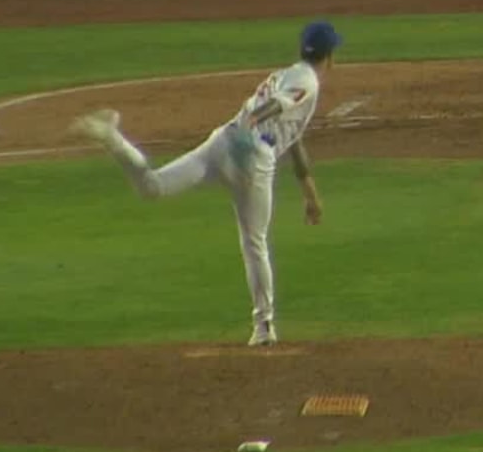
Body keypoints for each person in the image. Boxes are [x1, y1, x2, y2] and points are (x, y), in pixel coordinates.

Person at [69, 20, 343, 348]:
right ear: (330, 56)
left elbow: (292, 134)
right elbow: (281, 105)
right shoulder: (308, 82)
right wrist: (255, 120)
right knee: (254, 242)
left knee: (153, 186)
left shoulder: (284, 74)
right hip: (253, 157)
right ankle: (264, 326)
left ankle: (112, 137)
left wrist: (308, 188)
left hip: (224, 141)